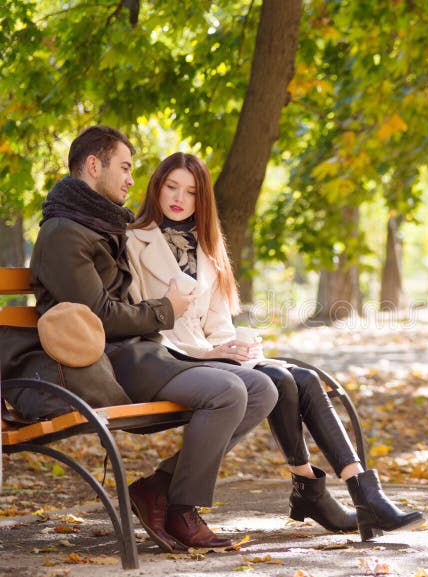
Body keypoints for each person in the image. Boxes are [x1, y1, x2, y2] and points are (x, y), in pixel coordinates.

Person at [126, 152, 424, 541]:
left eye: (192, 192)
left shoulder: (208, 248)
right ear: (157, 186)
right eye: (172, 187)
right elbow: (140, 319)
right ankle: (315, 491)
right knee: (281, 380)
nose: (180, 198)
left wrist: (233, 347)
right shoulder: (133, 240)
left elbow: (216, 326)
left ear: (203, 201)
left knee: (299, 377)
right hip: (168, 358)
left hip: (206, 353)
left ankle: (363, 491)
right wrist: (210, 353)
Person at [30, 126, 279, 552]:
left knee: (261, 388)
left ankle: (158, 488)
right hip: (112, 362)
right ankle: (182, 509)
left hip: (144, 353)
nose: (131, 178)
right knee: (227, 392)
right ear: (94, 165)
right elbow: (99, 319)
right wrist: (165, 308)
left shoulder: (98, 224)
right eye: (124, 167)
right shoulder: (64, 233)